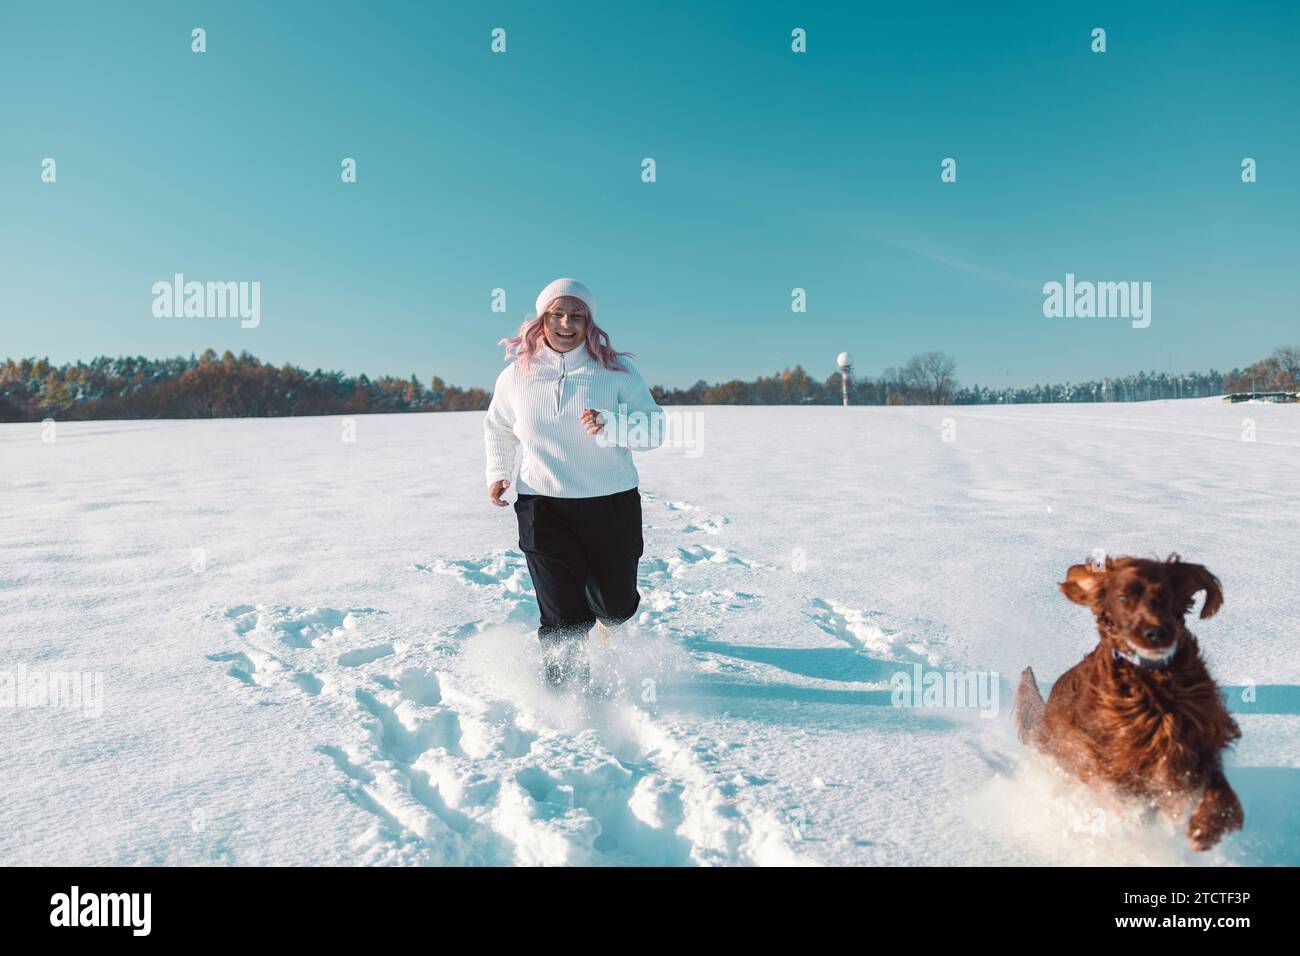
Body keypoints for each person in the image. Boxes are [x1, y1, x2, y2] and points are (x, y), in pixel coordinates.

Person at [484, 278, 664, 686]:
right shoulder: (516, 375)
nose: (566, 323)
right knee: (562, 616)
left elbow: (654, 430)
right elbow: (498, 427)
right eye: (556, 314)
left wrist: (612, 425)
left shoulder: (616, 371)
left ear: (589, 321)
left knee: (615, 606)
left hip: (610, 501)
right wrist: (498, 472)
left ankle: (607, 621)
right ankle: (564, 698)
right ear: (541, 320)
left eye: (576, 315)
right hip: (542, 505)